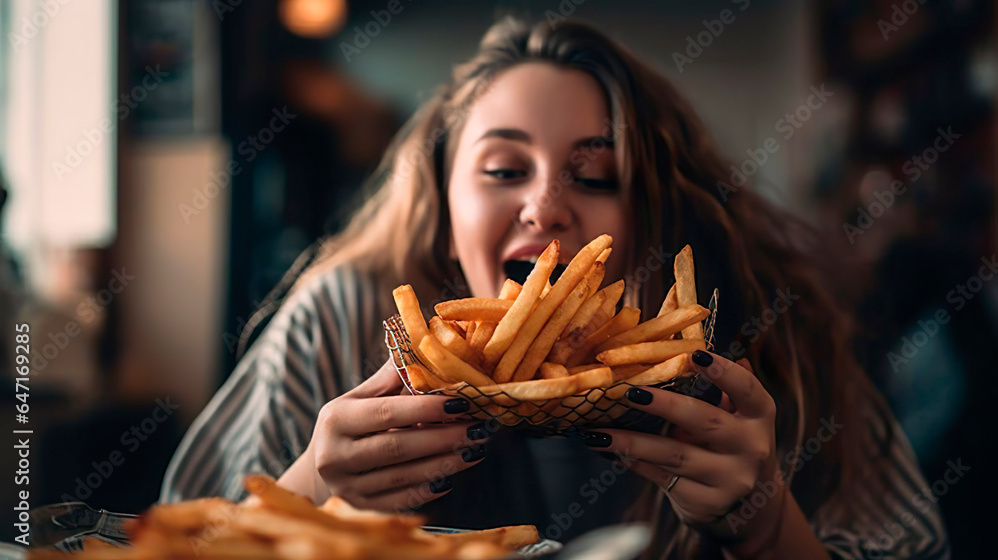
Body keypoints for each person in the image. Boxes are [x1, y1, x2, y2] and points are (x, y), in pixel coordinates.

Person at [161, 18, 949, 559]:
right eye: (503, 170)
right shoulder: (342, 316)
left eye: (597, 174)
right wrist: (310, 494)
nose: (544, 206)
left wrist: (767, 525)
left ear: (657, 209)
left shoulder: (778, 331)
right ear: (441, 208)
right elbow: (174, 541)